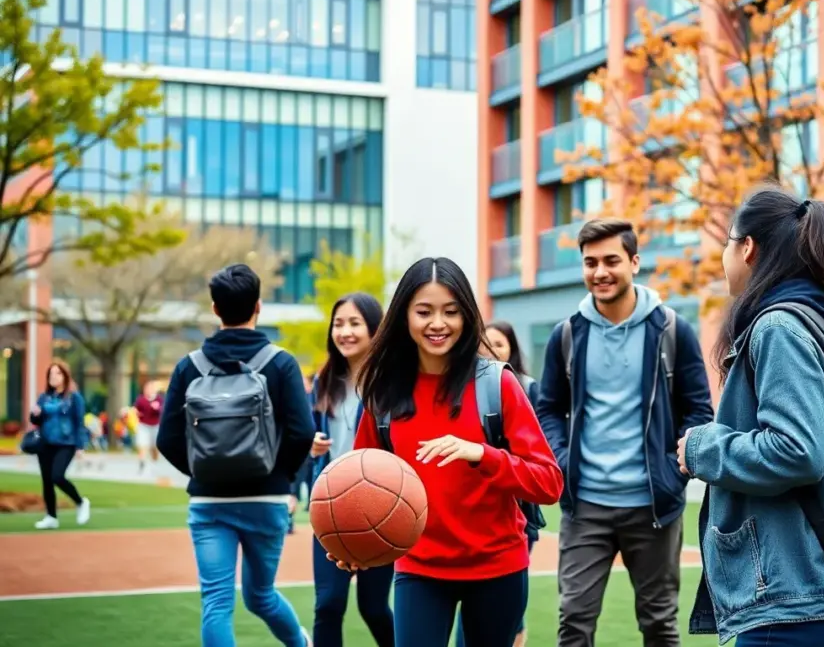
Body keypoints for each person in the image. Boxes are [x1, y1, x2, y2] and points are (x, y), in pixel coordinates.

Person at [327, 257, 563, 647]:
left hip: (497, 569)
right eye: (424, 312)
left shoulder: (498, 385)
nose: (438, 323)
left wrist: (481, 454)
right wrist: (352, 545)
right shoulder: (382, 393)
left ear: (467, 316)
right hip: (419, 570)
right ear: (404, 316)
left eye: (451, 312)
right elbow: (359, 485)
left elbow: (549, 483)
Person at [677, 187, 824, 646]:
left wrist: (701, 447)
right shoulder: (819, 322)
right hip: (820, 587)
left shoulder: (780, 327)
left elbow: (797, 451)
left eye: (727, 242)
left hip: (793, 596)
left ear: (747, 248)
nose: (723, 255)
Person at [535, 218, 713, 647]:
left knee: (658, 625)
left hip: (654, 504)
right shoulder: (567, 335)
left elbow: (698, 410)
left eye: (611, 260)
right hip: (585, 505)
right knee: (574, 623)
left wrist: (675, 472)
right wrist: (561, 462)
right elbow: (548, 409)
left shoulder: (672, 330)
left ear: (634, 262)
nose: (600, 272)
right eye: (590, 262)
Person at [157, 264, 316, 647]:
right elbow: (303, 432)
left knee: (217, 603)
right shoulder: (280, 363)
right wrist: (281, 476)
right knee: (261, 595)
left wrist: (200, 469)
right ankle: (300, 643)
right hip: (267, 499)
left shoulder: (189, 366)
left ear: (215, 309)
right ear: (258, 306)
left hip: (209, 502)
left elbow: (166, 438)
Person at [307, 293, 394, 647]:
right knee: (328, 605)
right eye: (339, 323)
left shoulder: (390, 385)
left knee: (373, 607)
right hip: (330, 506)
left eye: (355, 323)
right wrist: (310, 447)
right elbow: (311, 442)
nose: (344, 332)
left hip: (378, 509)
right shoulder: (323, 381)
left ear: (375, 330)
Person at [454, 320, 540, 647]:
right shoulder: (464, 387)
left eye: (499, 344)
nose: (491, 350)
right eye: (485, 343)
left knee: (503, 613)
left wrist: (489, 456)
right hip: (467, 516)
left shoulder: (524, 387)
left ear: (511, 349)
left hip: (516, 512)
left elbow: (540, 459)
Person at [29, 360, 90, 530]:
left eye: (57, 373)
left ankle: (81, 502)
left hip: (66, 443)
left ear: (65, 376)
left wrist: (80, 446)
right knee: (47, 481)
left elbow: (79, 422)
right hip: (45, 443)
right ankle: (51, 516)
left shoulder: (74, 397)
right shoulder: (44, 397)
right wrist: (35, 414)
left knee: (57, 476)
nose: (53, 377)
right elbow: (35, 421)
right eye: (51, 374)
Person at [134, 380, 164, 474]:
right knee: (142, 445)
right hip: (143, 425)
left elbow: (163, 411)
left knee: (154, 447)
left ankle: (154, 464)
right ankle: (142, 464)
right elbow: (136, 409)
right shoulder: (141, 399)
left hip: (155, 426)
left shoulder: (159, 399)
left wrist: (157, 408)